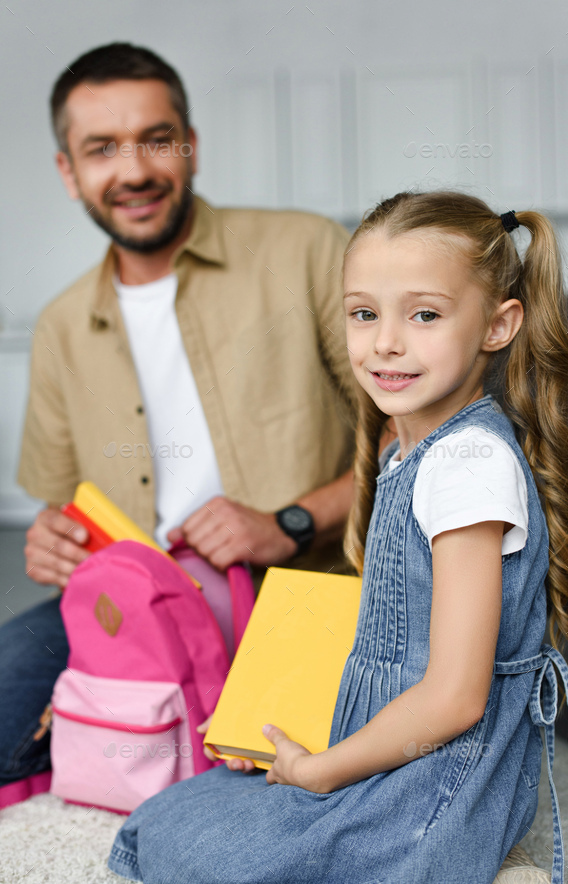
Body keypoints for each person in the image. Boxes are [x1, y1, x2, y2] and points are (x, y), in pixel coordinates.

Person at [108, 190, 568, 884]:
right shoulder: (411, 448)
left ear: (498, 325)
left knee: (185, 856)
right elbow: (393, 642)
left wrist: (323, 772)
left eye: (424, 315)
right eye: (364, 313)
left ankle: (478, 861)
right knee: (167, 821)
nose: (386, 341)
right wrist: (293, 742)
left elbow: (455, 698)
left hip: (440, 780)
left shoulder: (468, 465)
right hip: (391, 746)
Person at [0, 43, 359, 794]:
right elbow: (58, 502)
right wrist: (51, 539)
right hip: (134, 606)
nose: (133, 171)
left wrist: (290, 521)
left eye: (155, 140)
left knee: (274, 779)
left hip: (306, 587)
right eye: (101, 148)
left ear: (189, 147)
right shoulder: (64, 323)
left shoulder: (306, 249)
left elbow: (411, 438)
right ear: (69, 171)